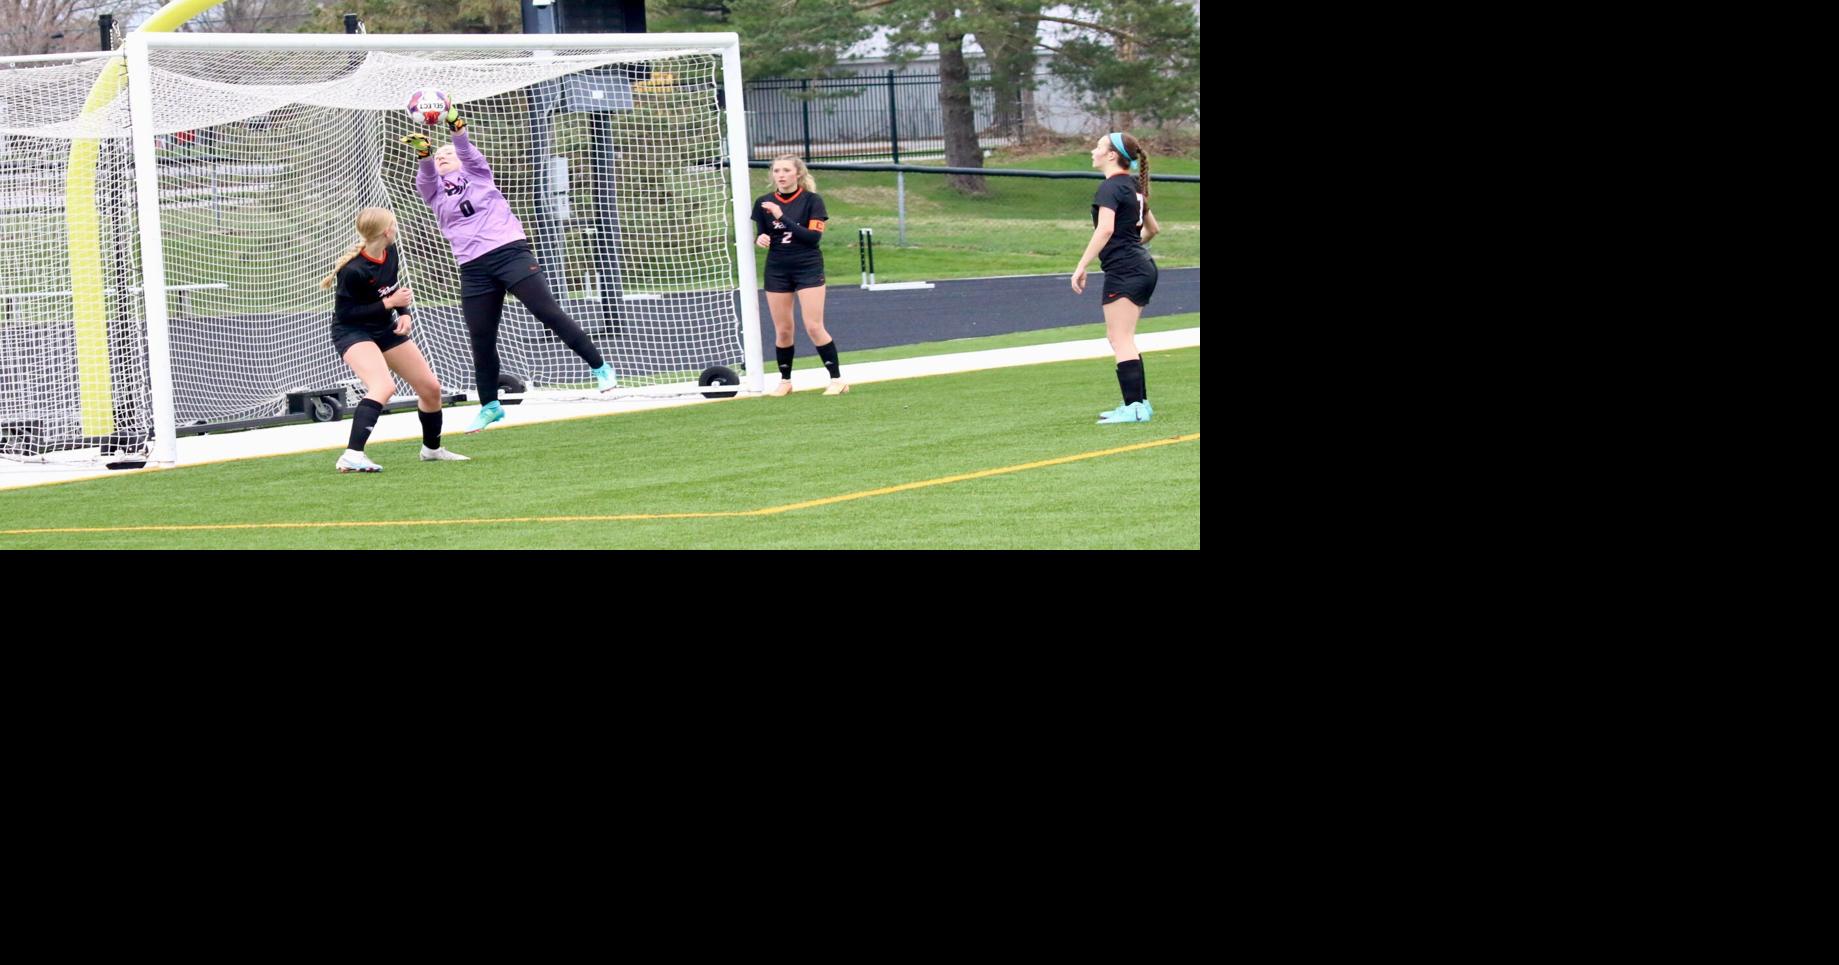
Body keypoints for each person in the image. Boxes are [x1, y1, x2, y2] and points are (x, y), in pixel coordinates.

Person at [402, 104, 616, 433]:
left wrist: (456, 127)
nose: (444, 155)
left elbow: (465, 149)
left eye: (448, 152)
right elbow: (427, 175)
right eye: (439, 153)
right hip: (473, 267)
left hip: (508, 252)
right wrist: (425, 154)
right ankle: (490, 406)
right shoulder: (433, 191)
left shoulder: (476, 172)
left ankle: (600, 367)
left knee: (547, 312)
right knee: (481, 338)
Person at [320, 206, 468, 472]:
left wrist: (404, 313)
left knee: (430, 388)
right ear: (386, 231)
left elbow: (393, 288)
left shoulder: (391, 252)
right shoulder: (353, 270)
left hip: (383, 328)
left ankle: (432, 450)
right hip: (353, 332)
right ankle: (352, 455)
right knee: (383, 386)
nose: (396, 228)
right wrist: (390, 303)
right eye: (394, 224)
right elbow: (347, 314)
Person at [1071, 132, 1161, 424]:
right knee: (1125, 338)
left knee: (1119, 338)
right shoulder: (1133, 187)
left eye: (1098, 146)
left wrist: (1081, 265)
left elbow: (1106, 229)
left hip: (1126, 271)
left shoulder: (1110, 188)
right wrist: (1134, 247)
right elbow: (1152, 229)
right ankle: (1140, 404)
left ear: (1112, 155)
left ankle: (1134, 407)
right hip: (1141, 267)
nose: (1093, 151)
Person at [752, 154, 848, 396]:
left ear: (798, 174)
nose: (781, 175)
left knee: (814, 326)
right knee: (783, 329)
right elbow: (763, 233)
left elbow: (813, 238)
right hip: (777, 269)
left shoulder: (812, 201)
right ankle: (785, 381)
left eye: (786, 170)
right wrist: (760, 237)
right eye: (776, 171)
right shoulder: (763, 202)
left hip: (807, 267)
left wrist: (781, 215)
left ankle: (837, 379)